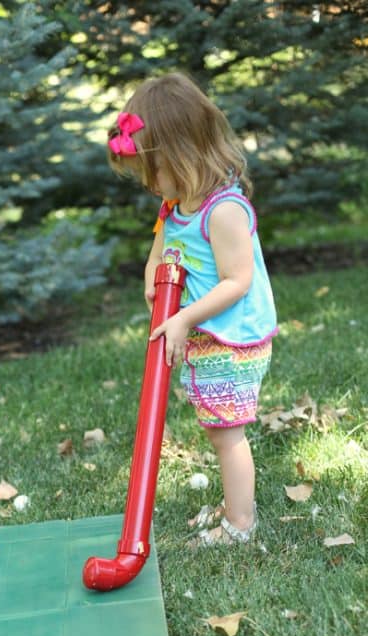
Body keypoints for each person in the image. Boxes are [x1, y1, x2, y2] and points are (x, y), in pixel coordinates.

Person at [107, 73, 277, 545]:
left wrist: (182, 317)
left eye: (154, 170)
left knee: (227, 435)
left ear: (183, 153)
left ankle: (241, 524)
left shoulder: (223, 211)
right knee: (215, 427)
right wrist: (151, 282)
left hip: (233, 337)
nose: (150, 184)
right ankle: (232, 505)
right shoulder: (175, 204)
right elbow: (158, 252)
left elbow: (238, 281)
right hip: (205, 333)